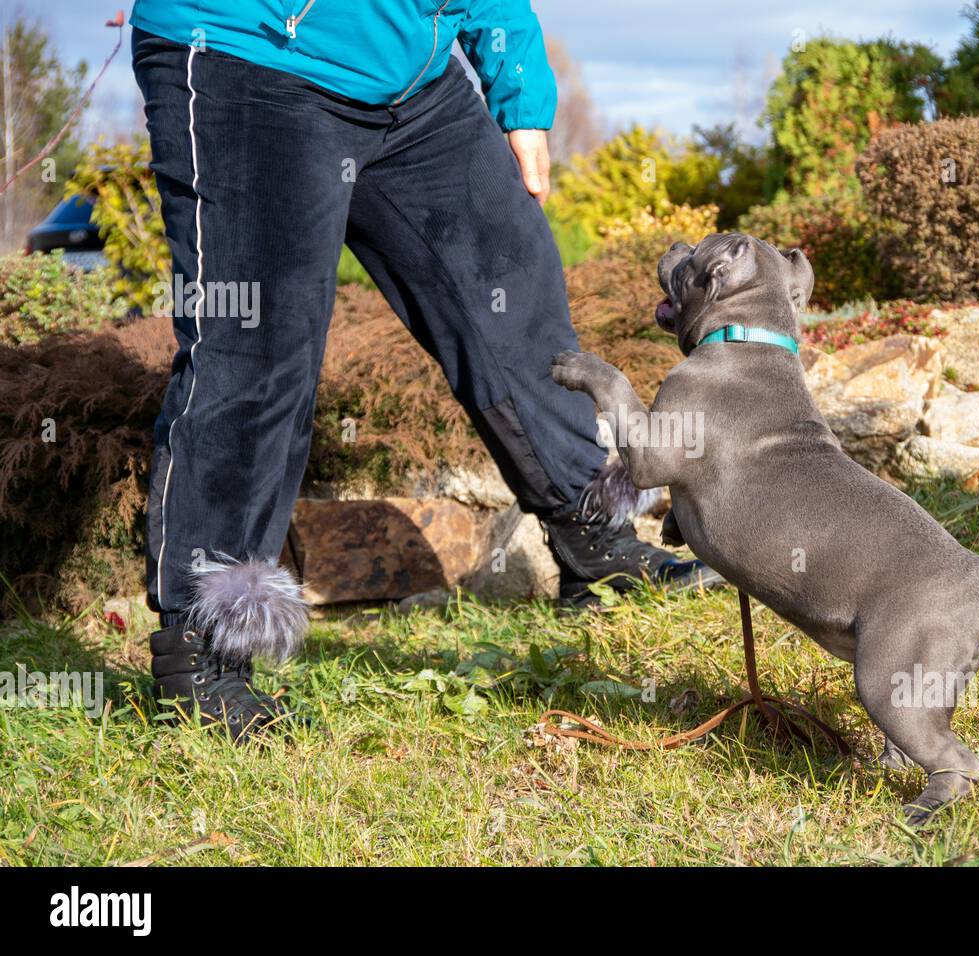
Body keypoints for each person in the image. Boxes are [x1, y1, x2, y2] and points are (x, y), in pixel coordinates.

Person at [129, 0, 719, 737]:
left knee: (508, 287)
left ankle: (592, 536)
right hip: (252, 58)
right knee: (258, 348)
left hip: (412, 79)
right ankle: (206, 657)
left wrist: (520, 89)